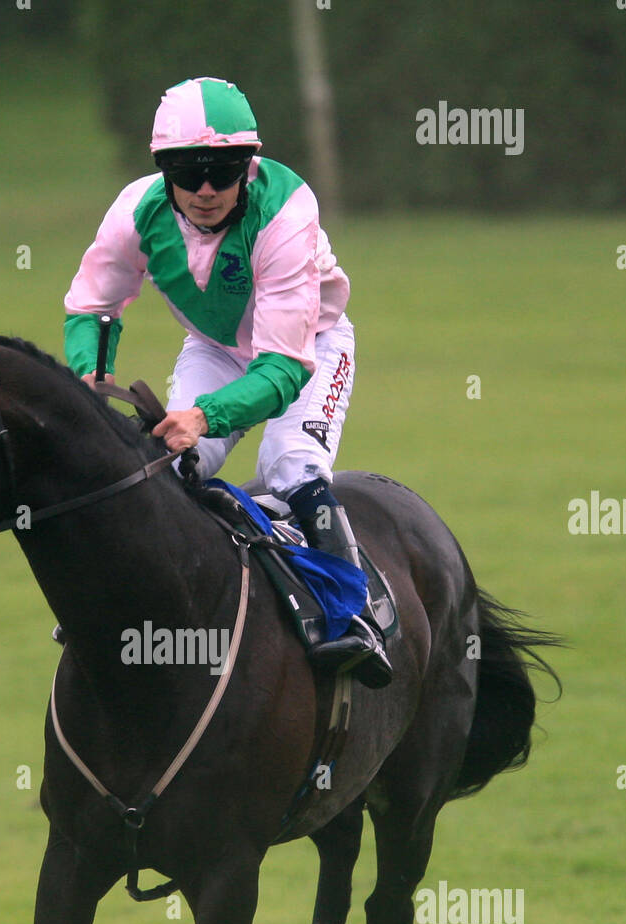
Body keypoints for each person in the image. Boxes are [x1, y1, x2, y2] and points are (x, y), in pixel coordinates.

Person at [63, 76, 392, 687]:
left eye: (225, 170)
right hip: (216, 348)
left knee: (290, 463)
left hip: (308, 348)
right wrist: (91, 369)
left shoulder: (287, 210)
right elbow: (94, 307)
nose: (208, 189)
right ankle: (123, 601)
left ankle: (355, 613)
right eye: (189, 173)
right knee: (166, 464)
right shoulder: (137, 209)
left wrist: (207, 416)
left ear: (250, 164)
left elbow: (283, 369)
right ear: (163, 170)